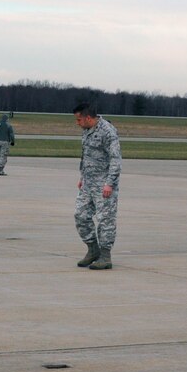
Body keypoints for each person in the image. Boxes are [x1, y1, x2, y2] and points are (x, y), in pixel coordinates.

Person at [72, 103, 122, 270]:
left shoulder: (107, 131)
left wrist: (110, 183)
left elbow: (116, 159)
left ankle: (105, 256)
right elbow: (86, 155)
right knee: (80, 215)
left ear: (88, 118)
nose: (77, 123)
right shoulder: (86, 131)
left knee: (105, 220)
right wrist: (82, 177)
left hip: (103, 185)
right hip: (88, 183)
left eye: (79, 119)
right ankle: (93, 250)